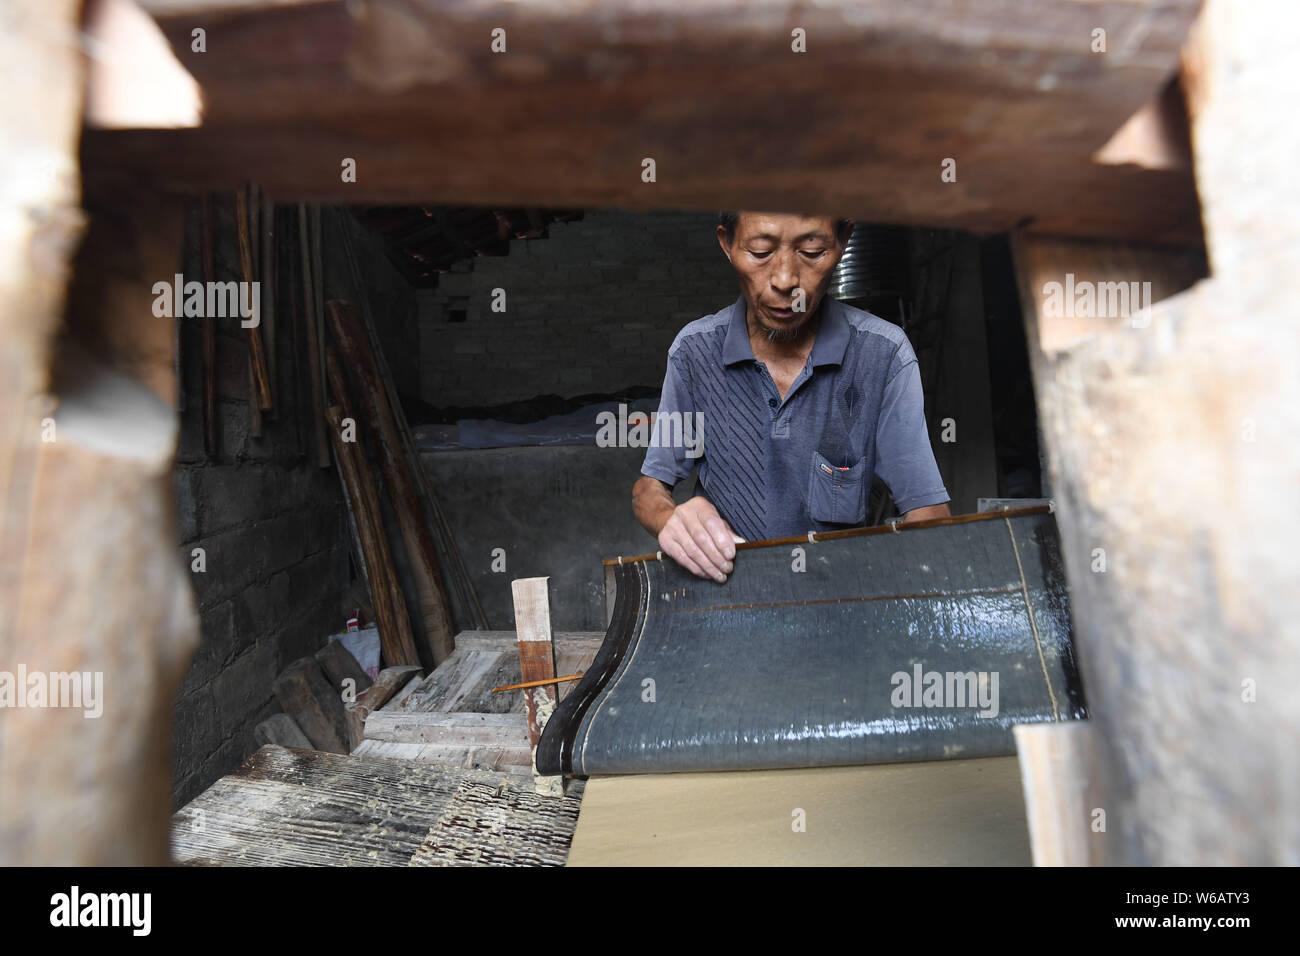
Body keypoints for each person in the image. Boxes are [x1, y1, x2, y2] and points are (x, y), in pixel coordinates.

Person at [632, 211, 951, 582]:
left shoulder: (883, 354)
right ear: (727, 244)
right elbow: (648, 489)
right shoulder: (694, 353)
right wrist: (673, 521)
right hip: (731, 602)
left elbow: (927, 511)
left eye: (812, 251)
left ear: (843, 240)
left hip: (840, 599)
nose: (785, 281)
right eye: (760, 251)